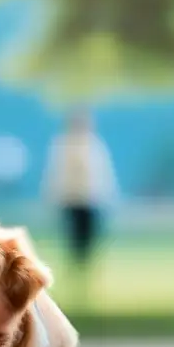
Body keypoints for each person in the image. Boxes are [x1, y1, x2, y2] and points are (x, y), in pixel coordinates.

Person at [40, 108, 119, 292]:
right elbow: (55, 174)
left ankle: (84, 269)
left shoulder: (93, 146)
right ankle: (76, 269)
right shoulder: (63, 145)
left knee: (88, 237)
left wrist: (107, 197)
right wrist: (53, 196)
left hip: (90, 199)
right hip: (71, 199)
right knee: (74, 237)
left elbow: (102, 175)